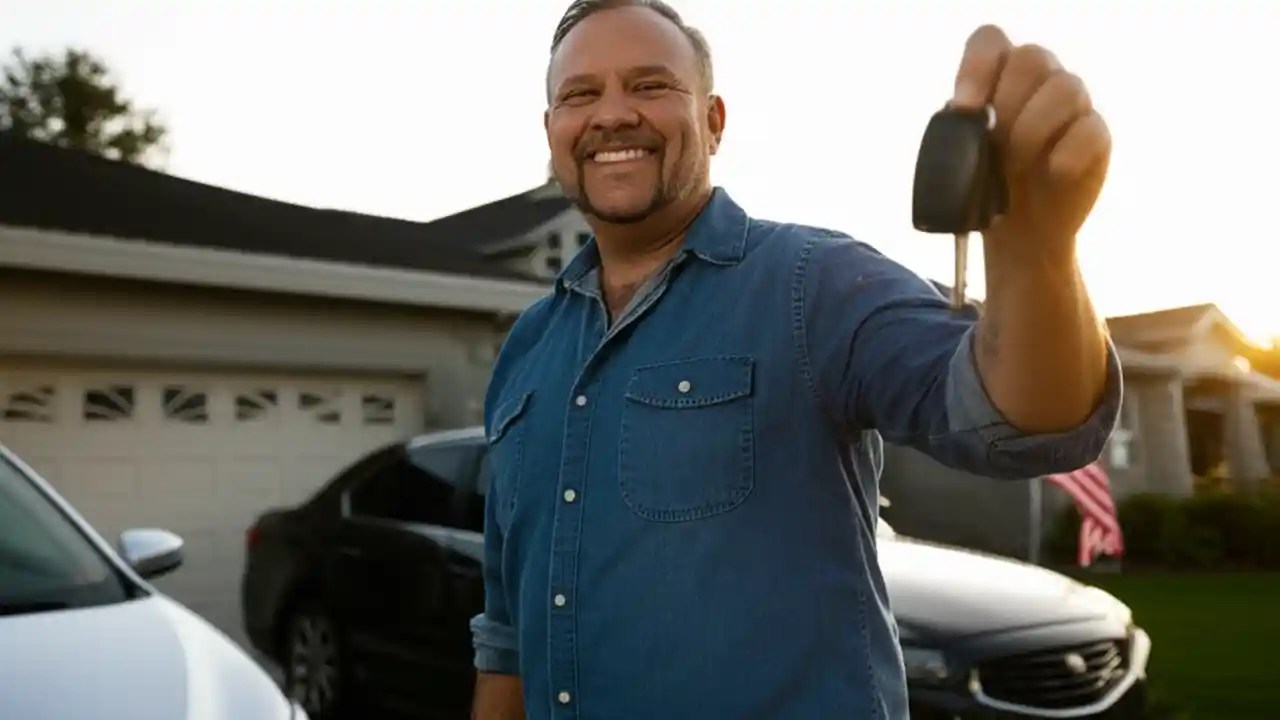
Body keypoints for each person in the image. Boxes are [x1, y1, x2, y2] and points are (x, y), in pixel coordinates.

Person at [470, 1, 1122, 718]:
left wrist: (1036, 246)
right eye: (580, 94)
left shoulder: (815, 283)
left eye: (651, 86)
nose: (613, 114)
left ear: (714, 122)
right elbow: (507, 632)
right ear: (552, 130)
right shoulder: (527, 348)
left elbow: (1014, 416)